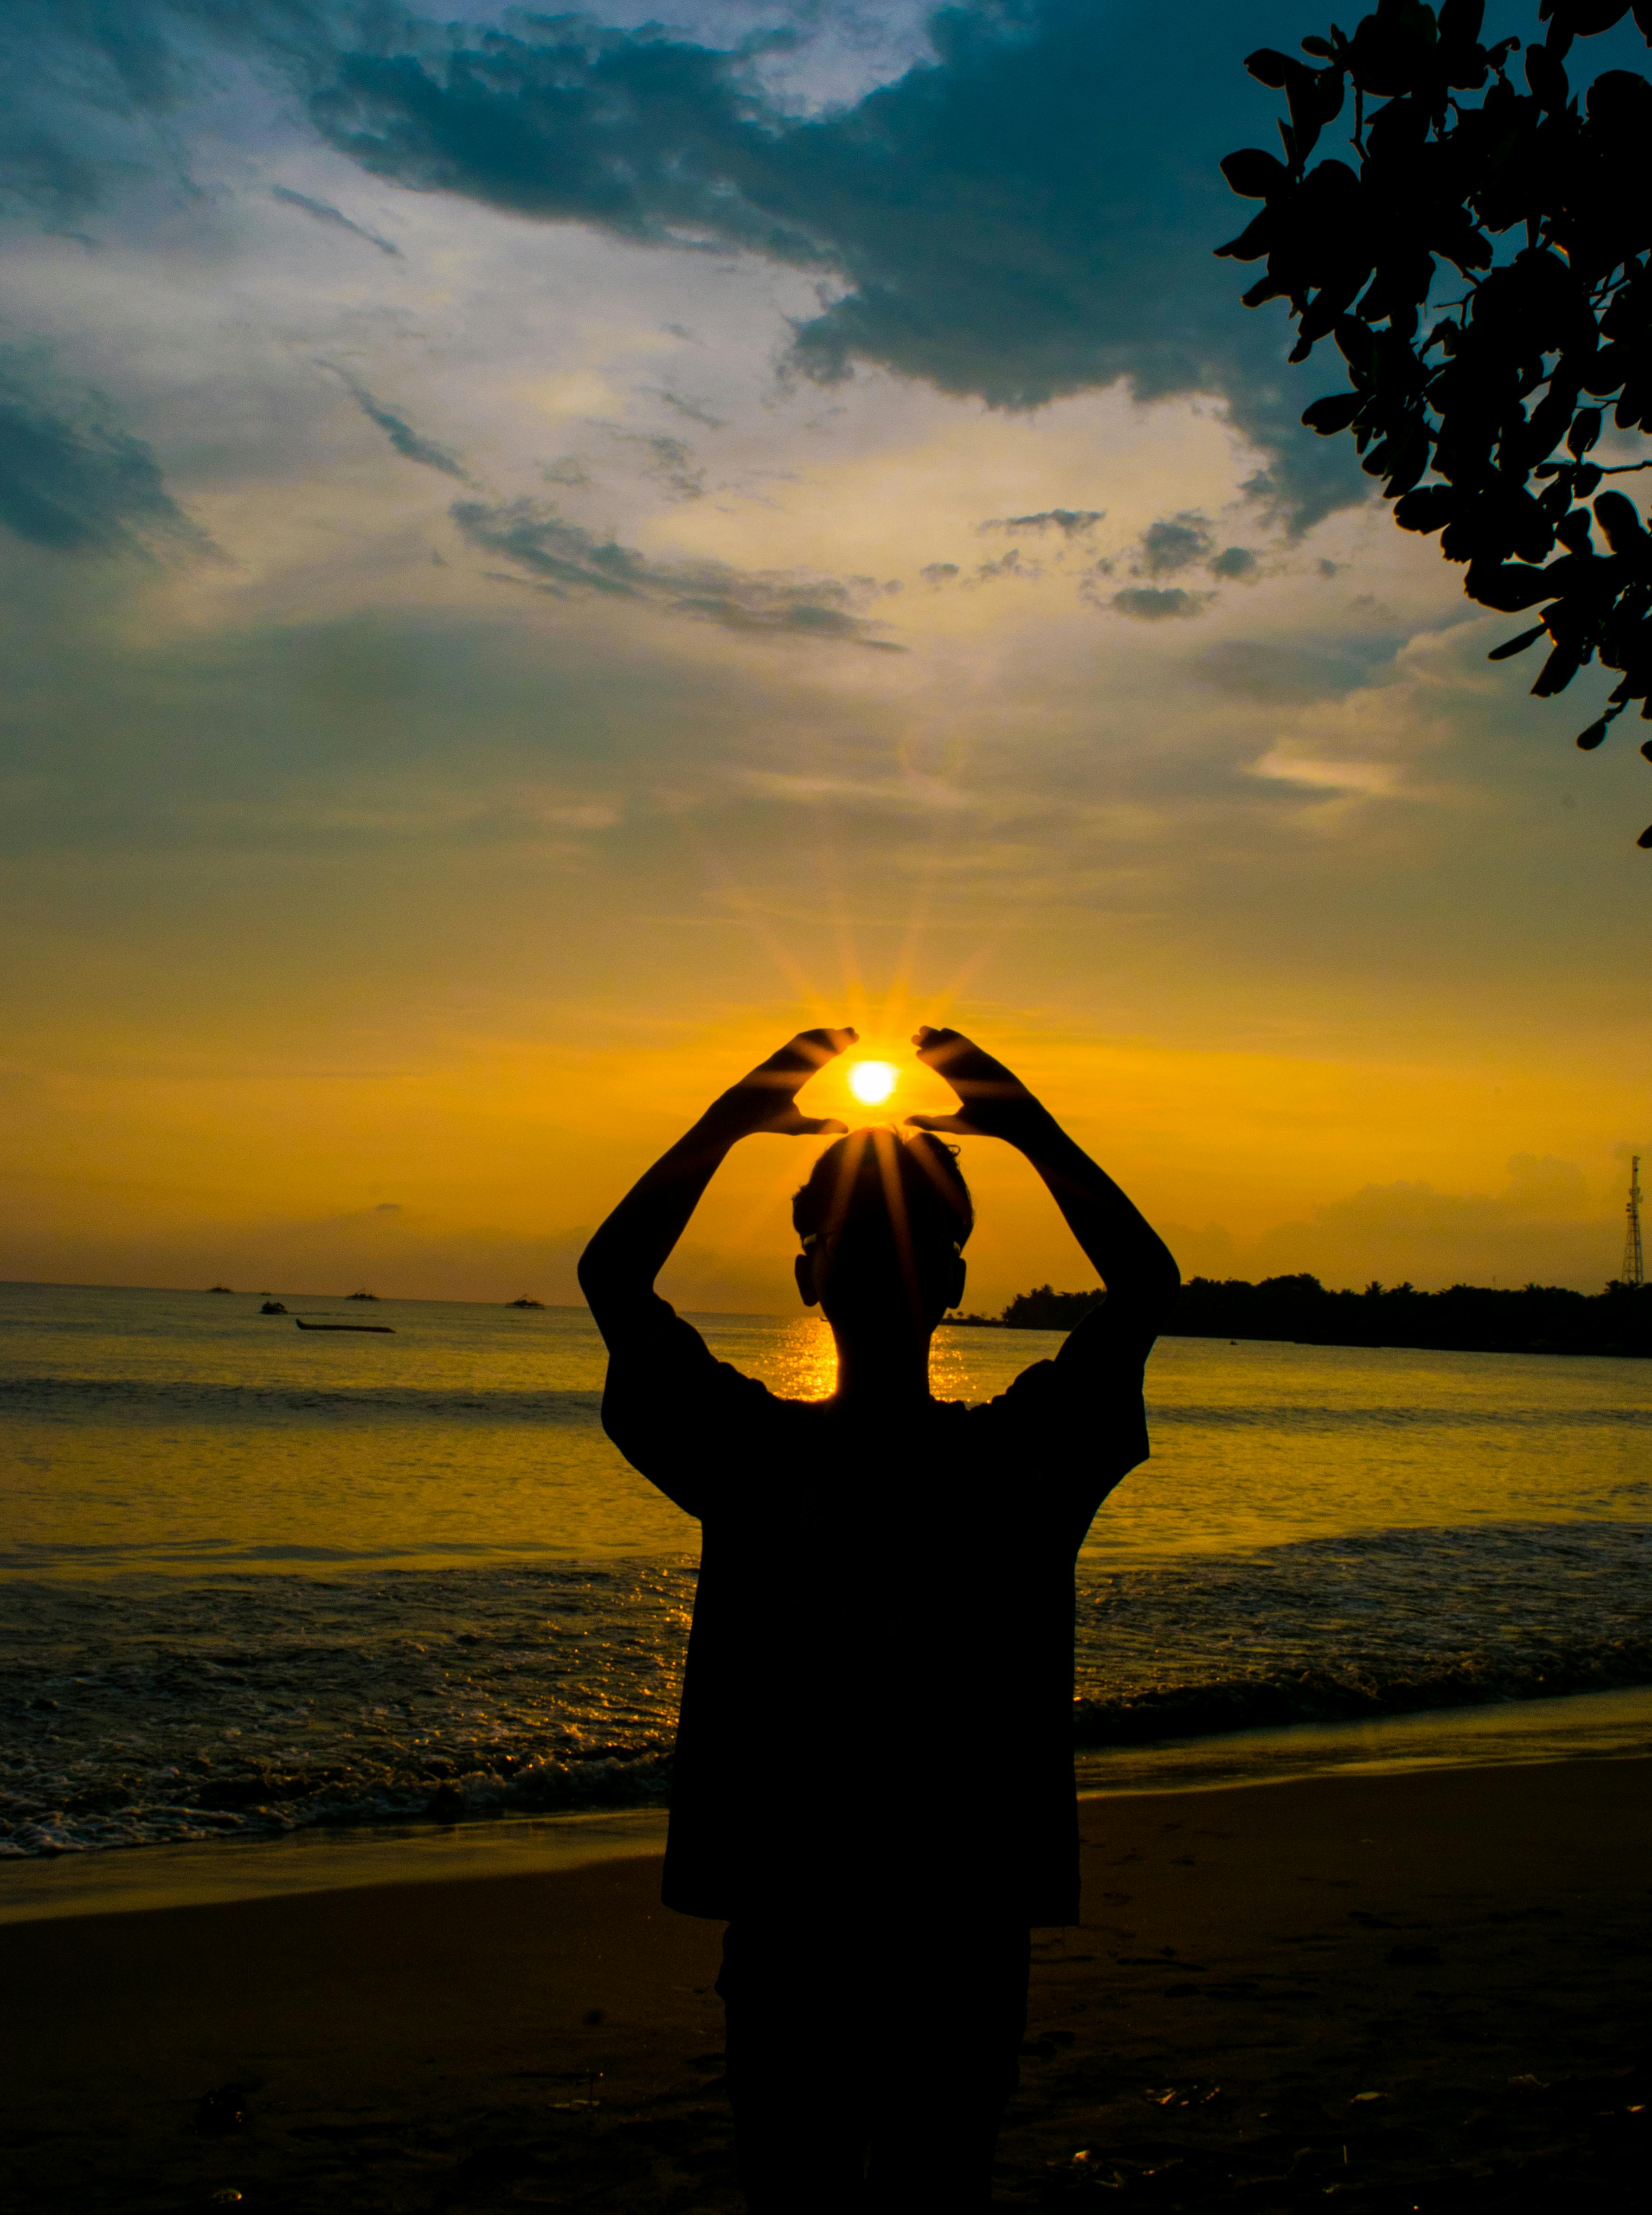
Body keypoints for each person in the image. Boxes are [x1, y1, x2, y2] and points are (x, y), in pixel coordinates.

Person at [578, 1025, 1178, 2211]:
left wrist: (731, 1122)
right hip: (831, 1914)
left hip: (927, 1915)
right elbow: (1144, 1291)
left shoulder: (834, 1459)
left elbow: (613, 1282)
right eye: (863, 1237)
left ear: (950, 1284)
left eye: (897, 1242)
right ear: (809, 1275)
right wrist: (1021, 1127)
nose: (880, 1263)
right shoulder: (987, 1460)